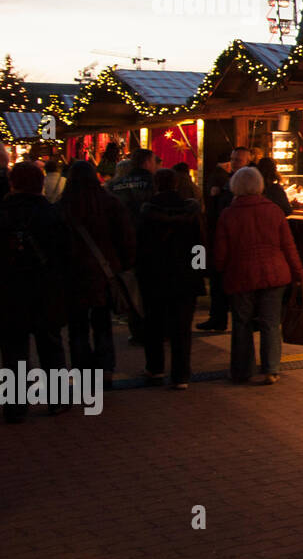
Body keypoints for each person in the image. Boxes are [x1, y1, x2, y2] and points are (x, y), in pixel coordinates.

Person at [213, 165, 303, 385]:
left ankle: (242, 371)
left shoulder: (228, 214)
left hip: (241, 275)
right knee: (270, 323)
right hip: (274, 274)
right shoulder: (274, 211)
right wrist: (299, 273)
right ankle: (271, 369)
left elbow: (220, 251)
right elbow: (288, 246)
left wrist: (217, 270)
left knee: (241, 323)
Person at [0, 162, 71, 422]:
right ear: (40, 183)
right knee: (51, 346)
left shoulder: (3, 214)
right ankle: (57, 400)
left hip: (9, 292)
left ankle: (15, 406)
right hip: (46, 290)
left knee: (13, 351)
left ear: (12, 183)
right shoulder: (52, 215)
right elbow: (65, 255)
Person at [58, 160, 135, 388]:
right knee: (102, 324)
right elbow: (126, 239)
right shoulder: (109, 203)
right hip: (105, 274)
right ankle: (105, 370)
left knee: (77, 327)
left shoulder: (64, 207)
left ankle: (83, 371)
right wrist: (122, 265)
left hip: (73, 276)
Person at [136, 168, 205, 389]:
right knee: (182, 328)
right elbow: (199, 245)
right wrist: (198, 271)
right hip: (185, 277)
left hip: (155, 277)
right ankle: (181, 375)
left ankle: (155, 368)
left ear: (157, 184)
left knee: (154, 324)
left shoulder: (147, 212)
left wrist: (142, 272)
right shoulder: (191, 211)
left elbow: (141, 248)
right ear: (177, 184)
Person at [197, 146, 250, 332]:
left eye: (238, 160)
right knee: (218, 280)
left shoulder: (245, 183)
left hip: (236, 243)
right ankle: (218, 318)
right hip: (221, 238)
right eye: (233, 159)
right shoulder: (227, 181)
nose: (234, 163)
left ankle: (228, 320)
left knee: (229, 284)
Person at [108, 149, 157, 346]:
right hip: (150, 246)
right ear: (147, 162)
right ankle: (152, 330)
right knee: (151, 292)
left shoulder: (114, 186)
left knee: (131, 291)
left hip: (123, 246)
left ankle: (136, 330)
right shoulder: (154, 183)